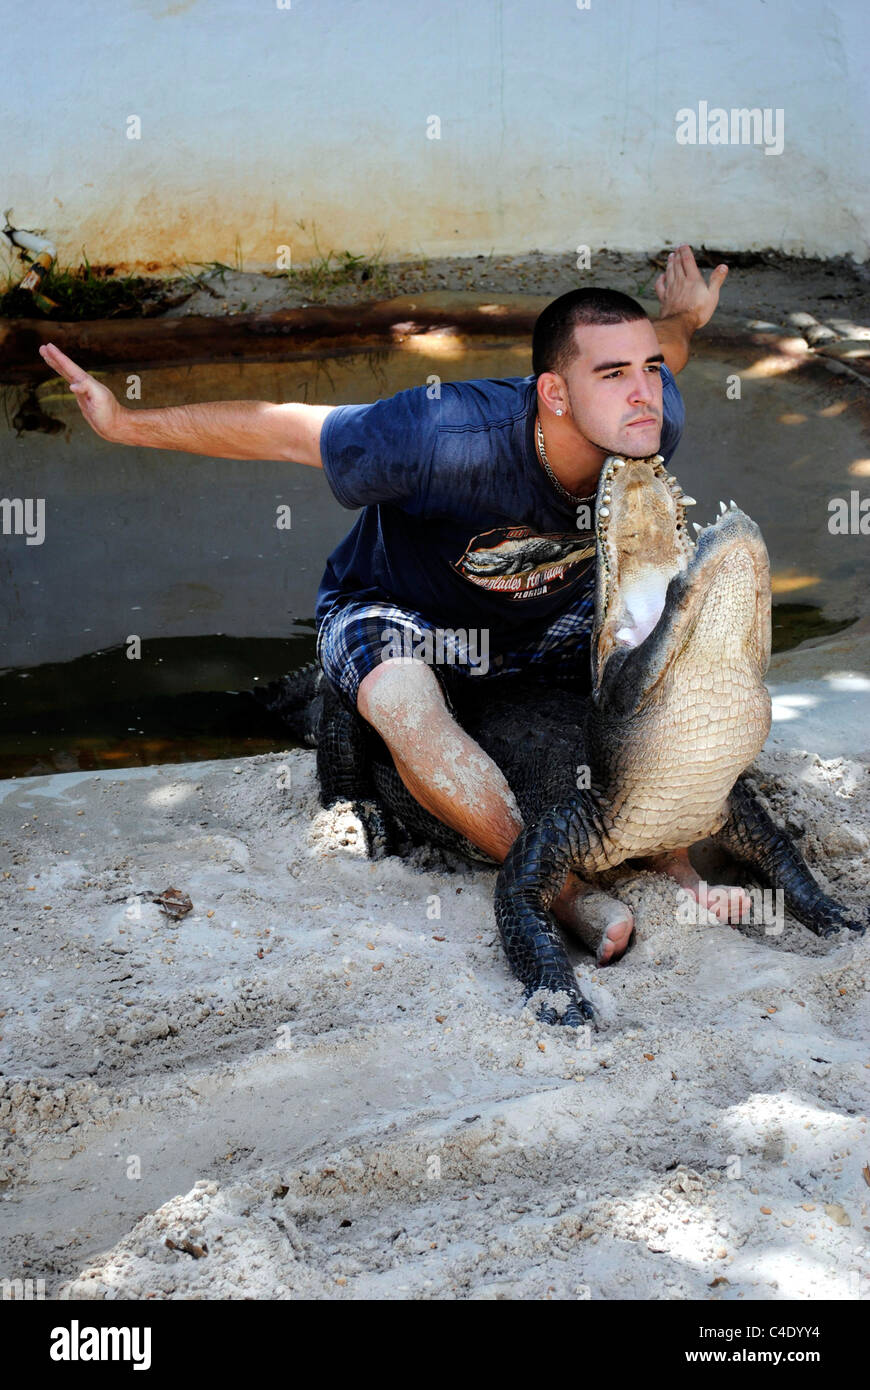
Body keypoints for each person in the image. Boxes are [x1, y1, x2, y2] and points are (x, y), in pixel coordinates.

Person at [39, 244, 737, 966]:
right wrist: (127, 424)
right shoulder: (440, 436)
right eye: (614, 373)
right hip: (400, 610)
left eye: (647, 369)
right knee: (409, 707)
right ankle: (559, 892)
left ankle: (676, 865)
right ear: (555, 394)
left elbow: (668, 351)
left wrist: (682, 317)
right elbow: (281, 428)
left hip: (541, 622)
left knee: (666, 637)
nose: (643, 391)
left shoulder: (646, 422)